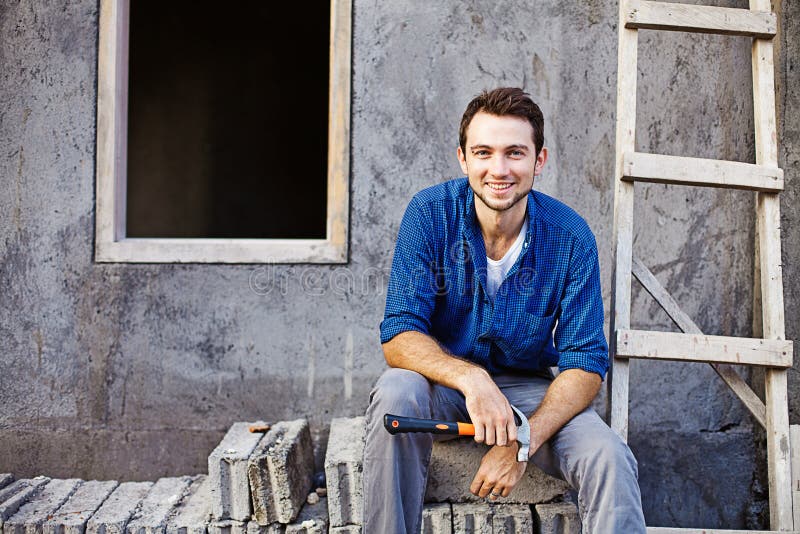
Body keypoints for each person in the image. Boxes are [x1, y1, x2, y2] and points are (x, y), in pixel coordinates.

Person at [363, 87, 646, 533]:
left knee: (608, 457)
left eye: (515, 153)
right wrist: (471, 379)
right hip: (444, 385)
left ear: (539, 160)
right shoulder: (429, 213)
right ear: (463, 158)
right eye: (483, 152)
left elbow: (585, 362)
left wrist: (522, 442)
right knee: (398, 389)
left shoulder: (570, 236)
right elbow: (399, 334)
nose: (499, 169)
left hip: (527, 392)